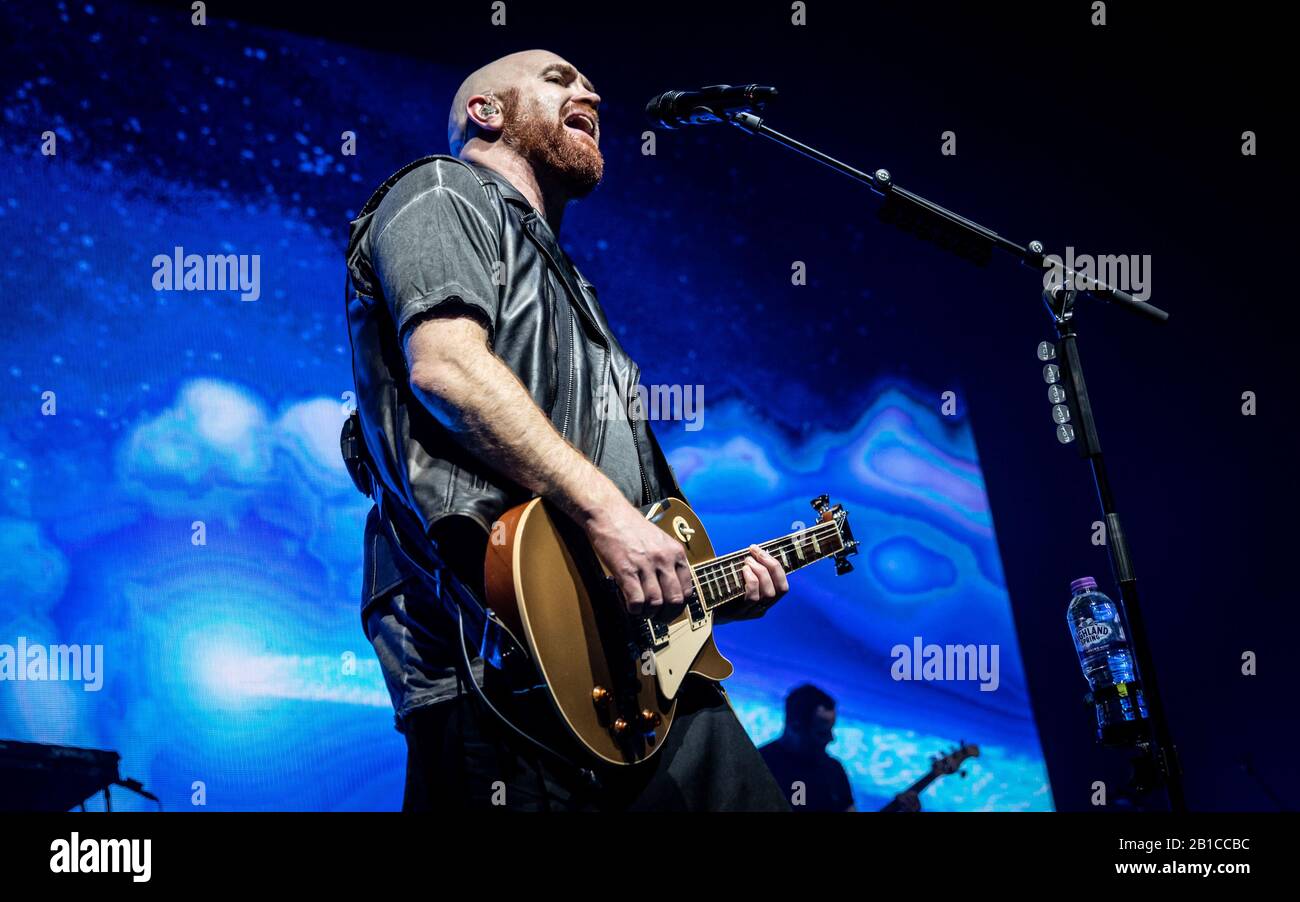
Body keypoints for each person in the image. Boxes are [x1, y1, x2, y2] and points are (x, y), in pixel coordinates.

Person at [343, 49, 792, 810]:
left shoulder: (574, 292)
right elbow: (446, 367)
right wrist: (611, 516)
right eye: (557, 79)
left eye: (587, 80)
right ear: (487, 112)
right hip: (497, 664)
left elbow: (641, 515)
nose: (591, 90)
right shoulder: (441, 192)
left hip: (629, 668)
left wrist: (701, 587)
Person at [759, 684, 856, 811]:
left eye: (831, 730)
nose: (831, 739)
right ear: (795, 727)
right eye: (821, 733)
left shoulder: (834, 771)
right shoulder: (758, 766)